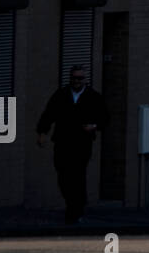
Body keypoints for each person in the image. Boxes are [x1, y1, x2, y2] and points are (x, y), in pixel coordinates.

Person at [36, 64, 109, 224]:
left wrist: (94, 126)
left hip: (82, 143)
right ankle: (75, 203)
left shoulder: (93, 97)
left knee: (77, 174)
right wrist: (42, 132)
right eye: (74, 78)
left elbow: (104, 118)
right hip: (62, 141)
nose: (77, 81)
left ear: (85, 79)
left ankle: (75, 210)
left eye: (80, 78)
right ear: (70, 79)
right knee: (63, 175)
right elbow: (49, 114)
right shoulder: (61, 95)